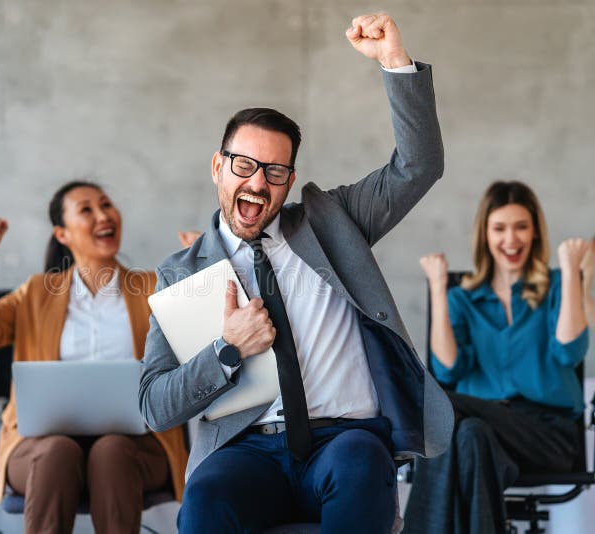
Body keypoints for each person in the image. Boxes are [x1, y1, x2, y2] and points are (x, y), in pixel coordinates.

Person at [139, 13, 453, 533]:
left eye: (275, 171)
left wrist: (394, 63)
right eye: (244, 165)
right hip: (247, 451)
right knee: (206, 504)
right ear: (218, 166)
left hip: (343, 441)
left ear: (290, 180)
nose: (258, 184)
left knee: (361, 462)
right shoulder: (182, 273)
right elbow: (155, 405)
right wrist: (227, 348)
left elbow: (420, 165)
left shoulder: (333, 222)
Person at [0, 181, 188, 534]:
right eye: (87, 210)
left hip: (137, 443)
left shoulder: (152, 287)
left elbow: (208, 336)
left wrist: (209, 263)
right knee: (57, 451)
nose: (103, 215)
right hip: (38, 448)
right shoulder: (35, 294)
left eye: (106, 204)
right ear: (62, 234)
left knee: (112, 451)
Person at [404, 181, 590, 534]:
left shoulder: (555, 287)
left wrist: (571, 272)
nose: (511, 239)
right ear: (484, 234)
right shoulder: (463, 299)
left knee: (438, 404)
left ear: (535, 232)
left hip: (547, 436)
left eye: (521, 226)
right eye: (500, 228)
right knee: (471, 434)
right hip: (485, 432)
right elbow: (447, 368)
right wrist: (439, 289)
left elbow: (570, 351)